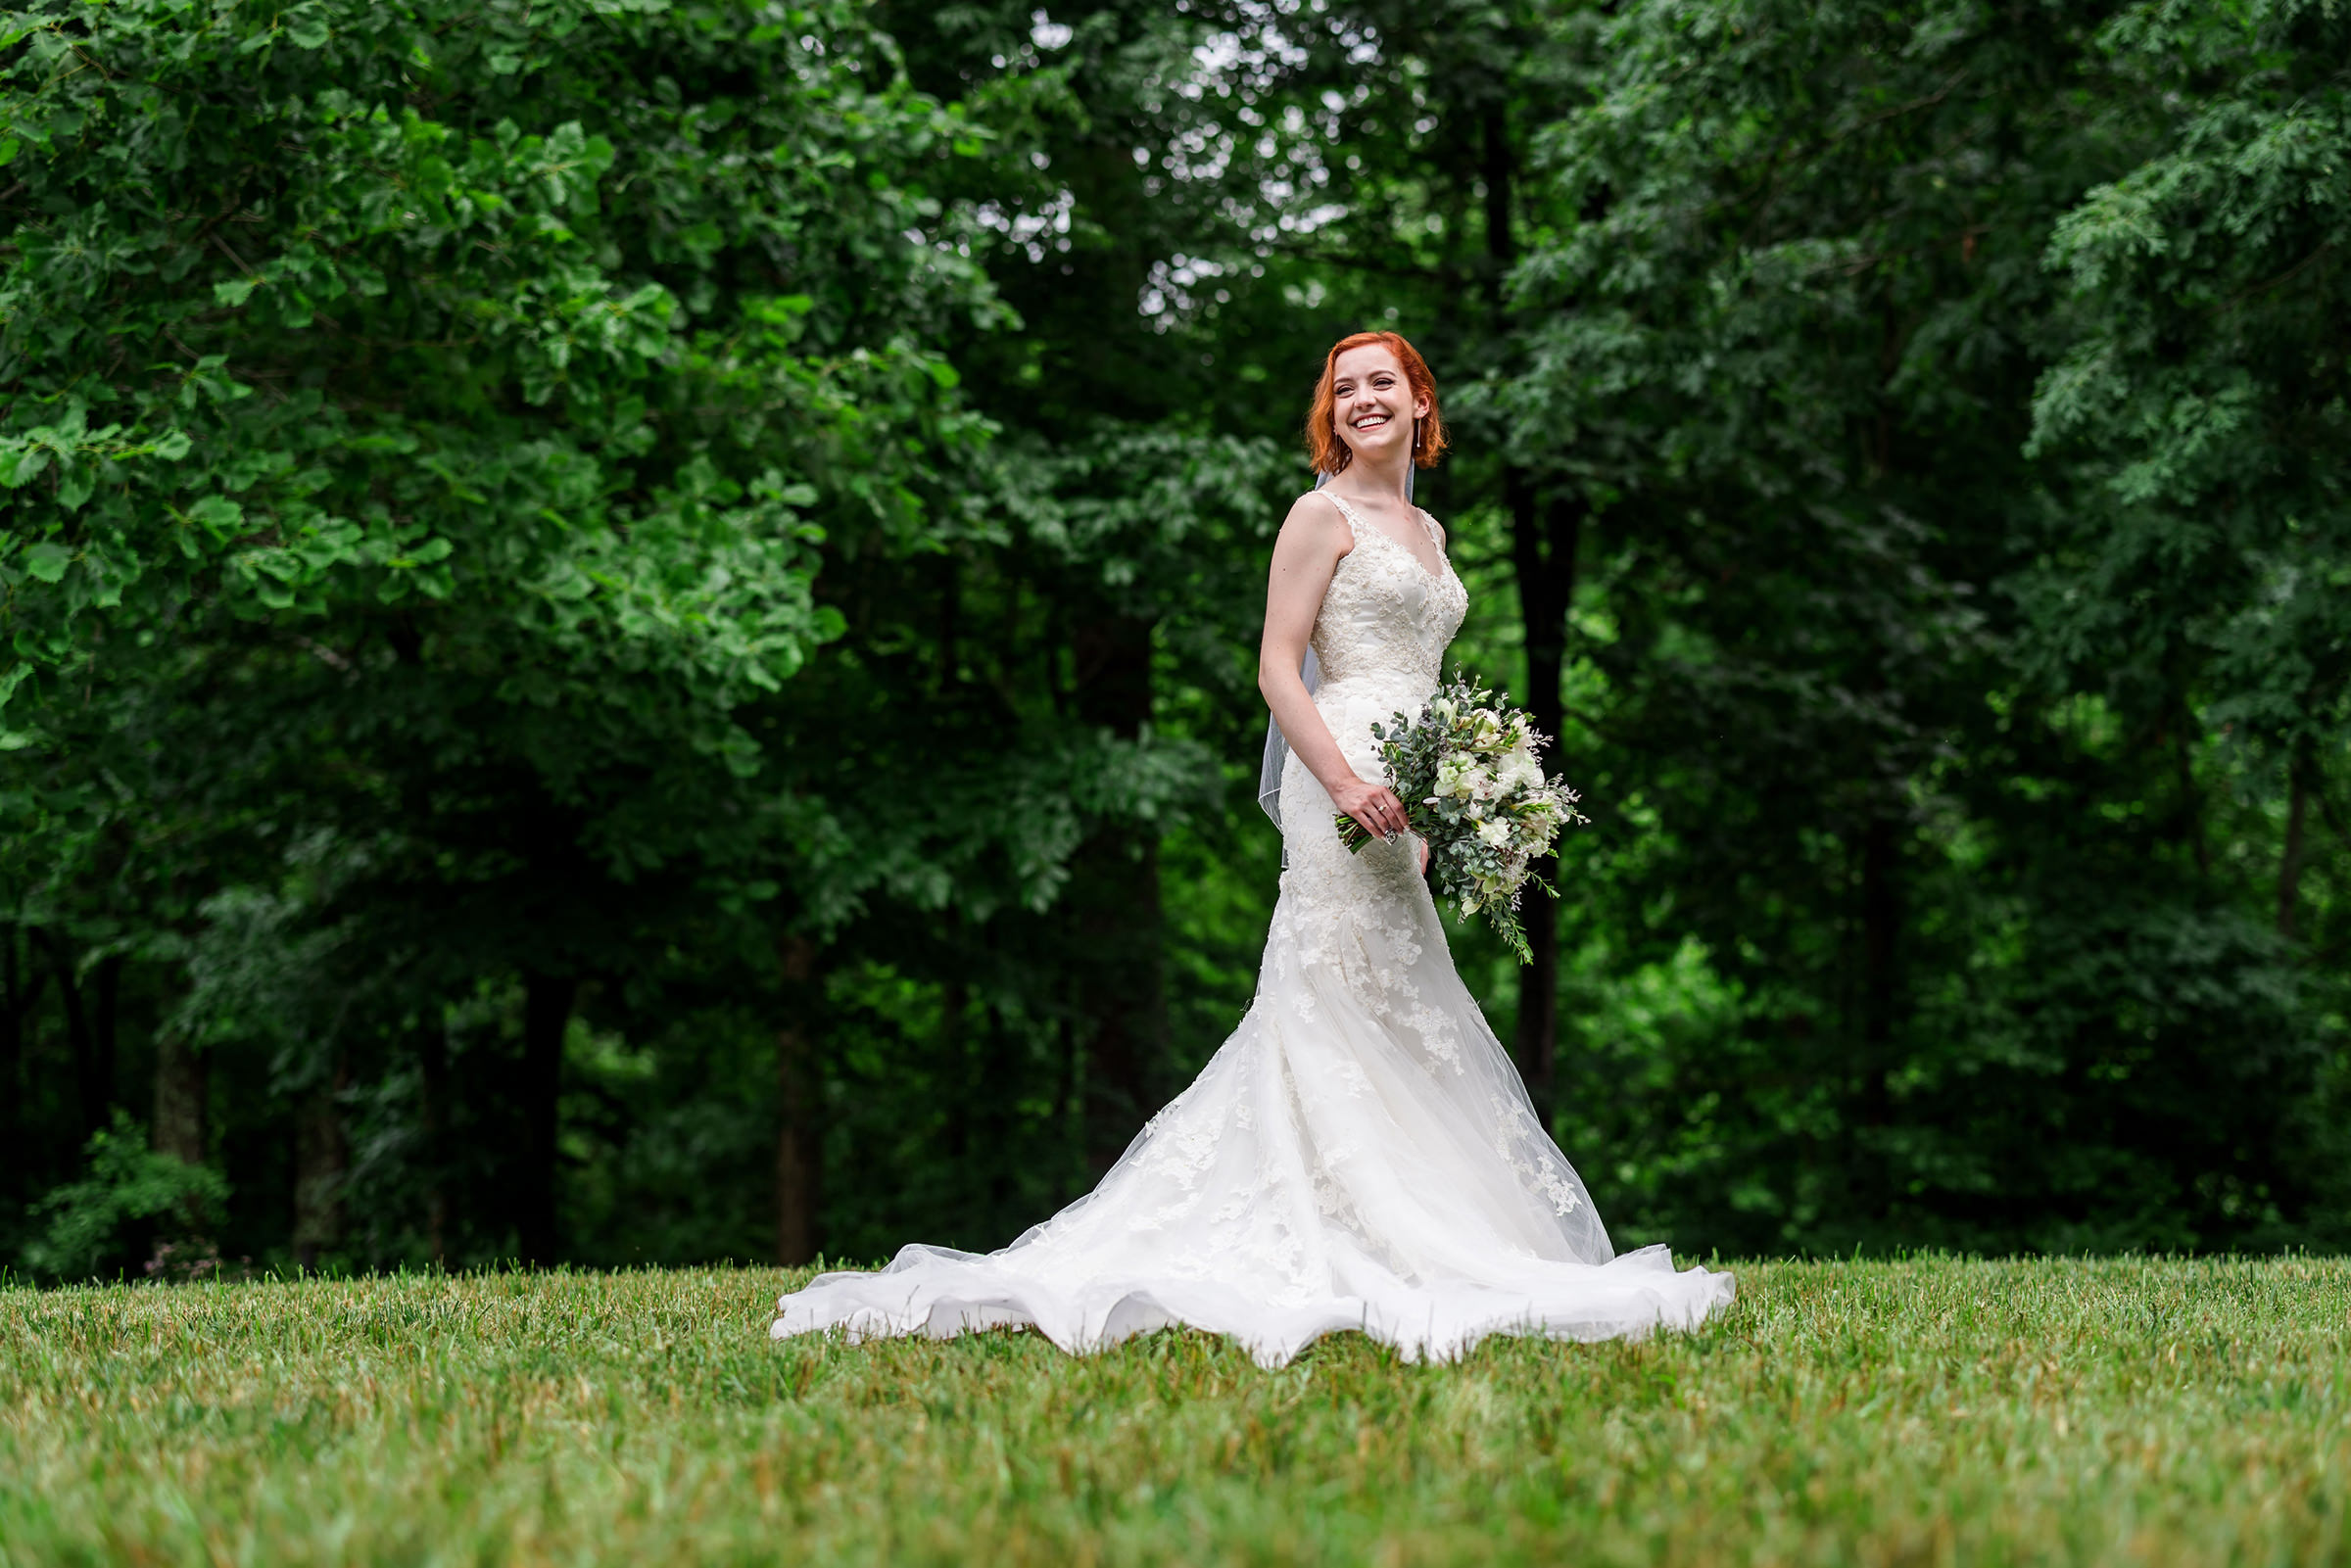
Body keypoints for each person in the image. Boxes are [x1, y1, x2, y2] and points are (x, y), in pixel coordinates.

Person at [772, 330, 1735, 1366]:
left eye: (1384, 383)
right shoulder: (1318, 515)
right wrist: (1345, 783)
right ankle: (1340, 1223)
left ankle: (1396, 1223)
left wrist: (1445, 804)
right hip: (1343, 785)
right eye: (1345, 386)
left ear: (1419, 401)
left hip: (1402, 798)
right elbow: (1280, 669)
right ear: (1334, 410)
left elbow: (1423, 679)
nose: (1365, 399)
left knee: (1399, 1004)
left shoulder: (1430, 529)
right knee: (1332, 997)